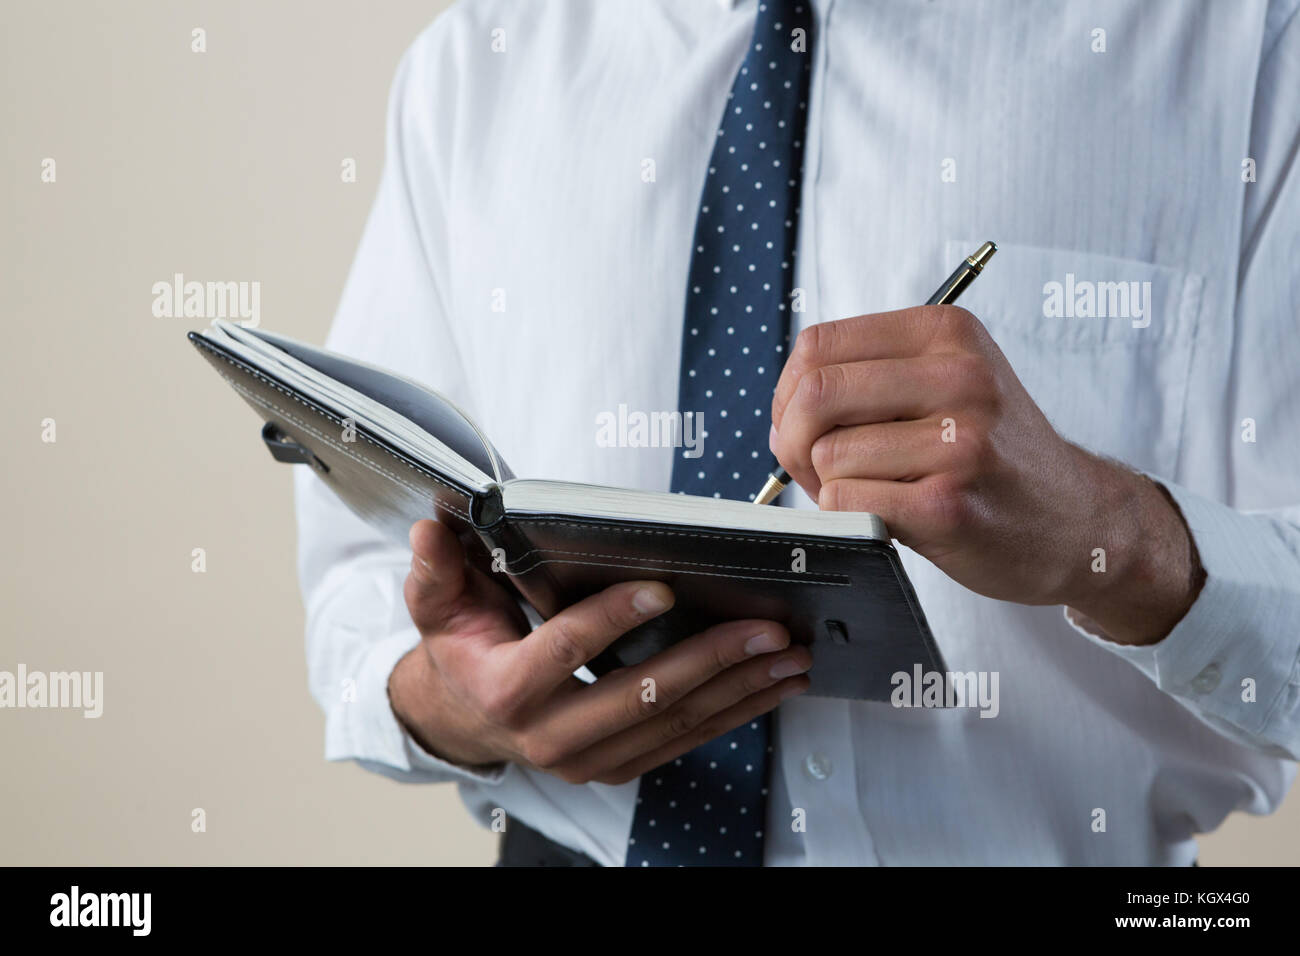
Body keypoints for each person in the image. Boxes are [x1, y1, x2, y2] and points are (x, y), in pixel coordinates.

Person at [296, 0, 1300, 866]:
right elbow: (360, 566)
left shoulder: (1245, 50)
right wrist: (443, 703)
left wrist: (1116, 536)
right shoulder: (477, 64)